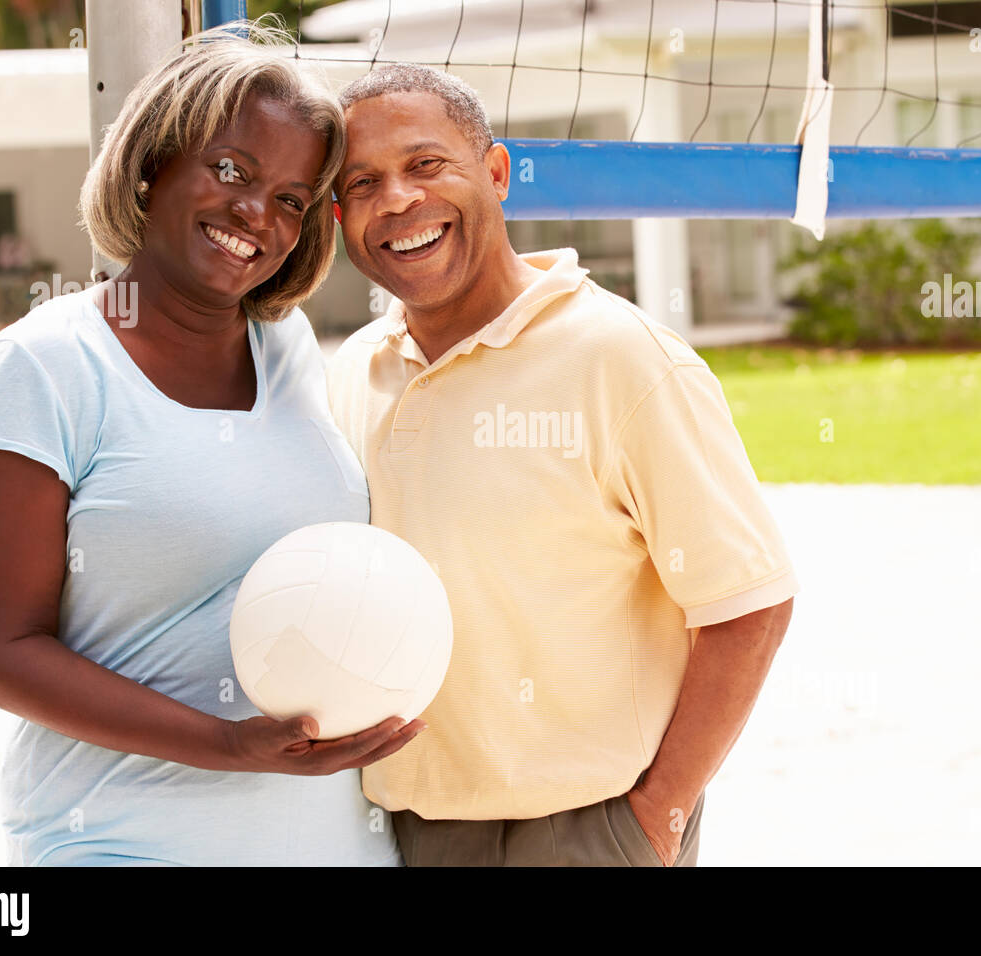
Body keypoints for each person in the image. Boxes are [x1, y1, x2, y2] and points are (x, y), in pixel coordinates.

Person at [0, 22, 422, 867]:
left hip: (327, 846)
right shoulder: (45, 365)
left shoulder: (291, 352)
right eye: (231, 170)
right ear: (152, 162)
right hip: (121, 845)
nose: (253, 214)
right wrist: (224, 742)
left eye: (290, 199)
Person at [326, 64, 799, 867]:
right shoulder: (352, 370)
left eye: (426, 164)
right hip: (409, 831)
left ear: (498, 173)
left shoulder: (626, 359)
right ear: (339, 217)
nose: (399, 199)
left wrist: (657, 819)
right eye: (363, 183)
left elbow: (749, 605)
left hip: (592, 832)